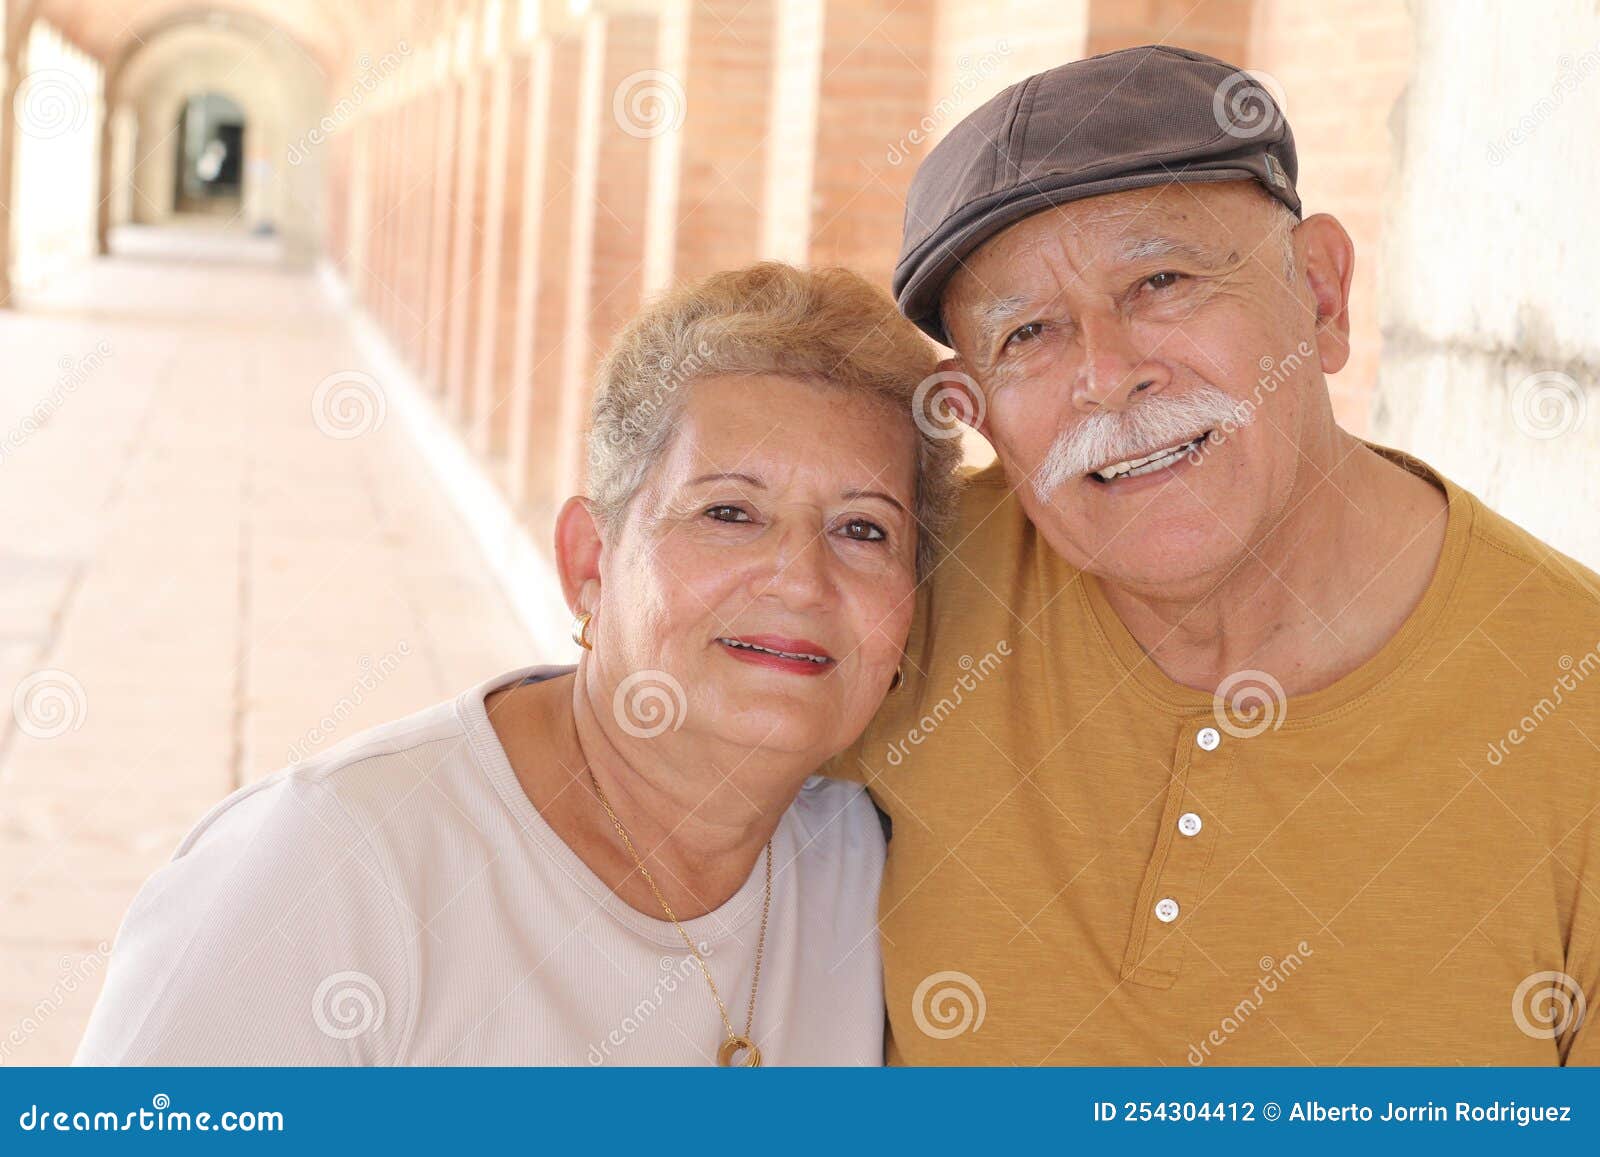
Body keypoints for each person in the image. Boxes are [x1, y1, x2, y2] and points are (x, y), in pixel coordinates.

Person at [828, 45, 1600, 1065]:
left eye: (1161, 280)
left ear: (1320, 295)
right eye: (1028, 334)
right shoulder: (888, 587)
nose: (1107, 376)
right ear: (973, 410)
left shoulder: (1569, 697)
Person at [74, 262, 961, 1066]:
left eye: (863, 528)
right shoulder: (334, 868)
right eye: (729, 512)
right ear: (591, 562)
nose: (802, 578)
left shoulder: (872, 861)